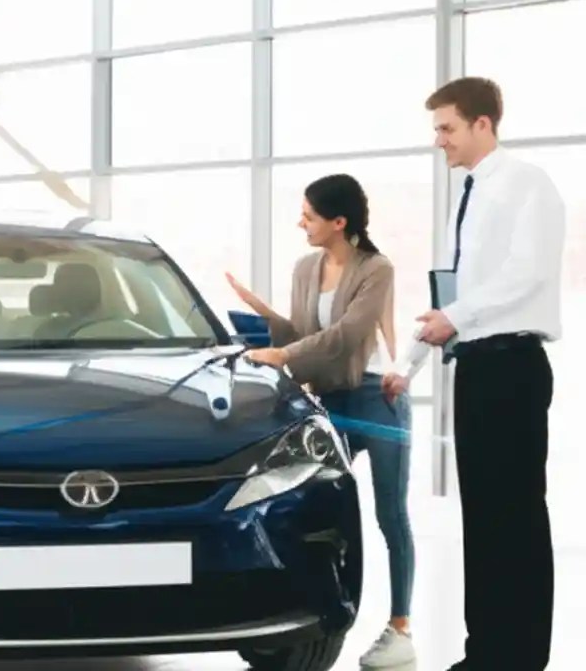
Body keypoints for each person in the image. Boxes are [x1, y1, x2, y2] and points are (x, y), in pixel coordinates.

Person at [225, 174, 416, 668]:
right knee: (317, 510)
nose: (301, 222)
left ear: (338, 221)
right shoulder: (305, 267)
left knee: (390, 516)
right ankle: (306, 614)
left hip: (377, 402)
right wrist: (262, 313)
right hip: (330, 402)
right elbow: (308, 335)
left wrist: (283, 350)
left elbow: (348, 335)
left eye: (309, 216)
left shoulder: (378, 269)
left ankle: (400, 628)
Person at [407, 77, 564, 671]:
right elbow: (458, 292)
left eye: (447, 128)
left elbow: (527, 273)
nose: (439, 141)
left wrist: (456, 315)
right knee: (484, 521)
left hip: (512, 368)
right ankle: (488, 654)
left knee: (515, 518)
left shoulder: (526, 184)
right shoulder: (465, 197)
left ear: (482, 125)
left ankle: (519, 657)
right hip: (475, 367)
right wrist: (416, 357)